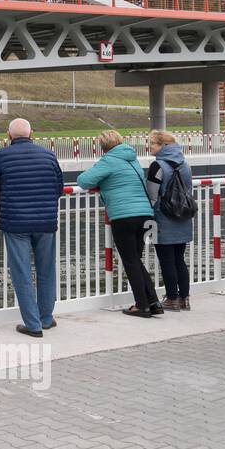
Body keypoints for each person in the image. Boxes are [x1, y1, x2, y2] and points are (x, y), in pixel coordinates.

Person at [0, 118, 63, 337]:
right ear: (32, 133)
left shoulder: (2, 155)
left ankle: (33, 324)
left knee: (22, 273)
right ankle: (46, 318)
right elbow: (58, 188)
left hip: (16, 222)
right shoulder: (48, 154)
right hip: (46, 221)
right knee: (46, 270)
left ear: (9, 136)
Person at [77, 130, 161, 317]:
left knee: (130, 261)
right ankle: (153, 302)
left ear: (103, 146)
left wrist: (100, 183)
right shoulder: (132, 159)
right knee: (135, 260)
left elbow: (83, 181)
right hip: (145, 214)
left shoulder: (108, 161)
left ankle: (142, 305)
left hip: (124, 216)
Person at [146, 130, 195, 311]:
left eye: (152, 144)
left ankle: (172, 298)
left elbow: (151, 195)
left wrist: (146, 219)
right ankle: (184, 299)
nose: (149, 147)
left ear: (162, 146)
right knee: (179, 259)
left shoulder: (157, 166)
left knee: (166, 260)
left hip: (162, 217)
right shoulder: (185, 164)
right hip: (183, 216)